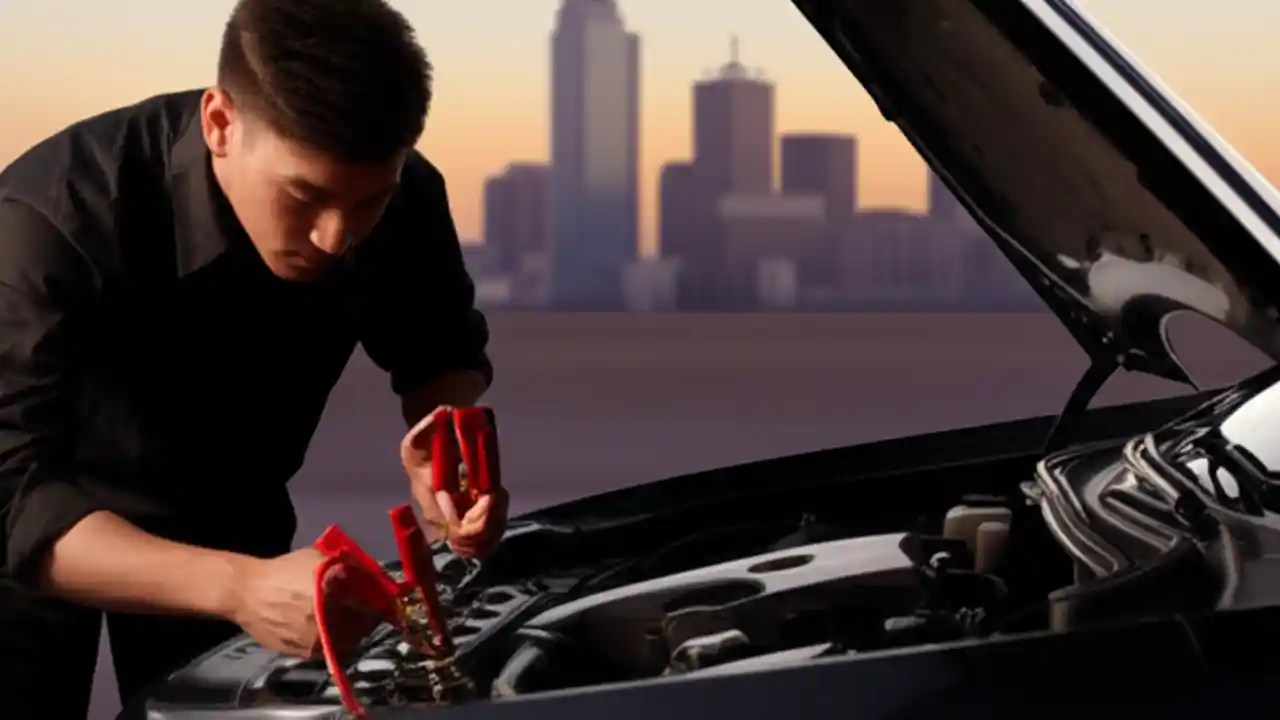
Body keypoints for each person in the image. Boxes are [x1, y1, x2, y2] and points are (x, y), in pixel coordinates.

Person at [0, 0, 510, 717]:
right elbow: (12, 498)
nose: (337, 237)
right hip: (43, 536)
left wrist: (449, 445)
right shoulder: (49, 218)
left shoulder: (403, 196)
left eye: (368, 204)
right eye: (304, 197)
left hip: (231, 522)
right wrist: (237, 586)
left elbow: (440, 349)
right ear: (220, 124)